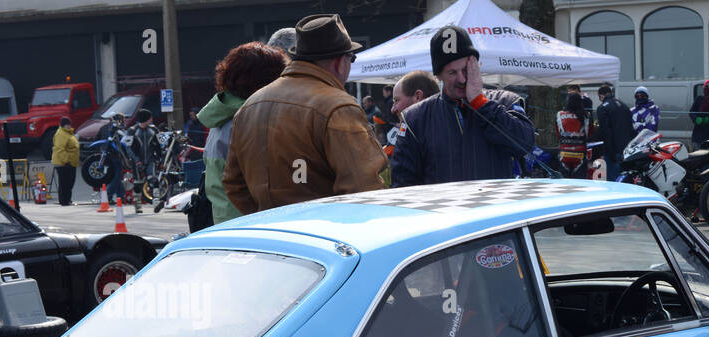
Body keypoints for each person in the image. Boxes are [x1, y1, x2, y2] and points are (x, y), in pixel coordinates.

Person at [226, 14, 385, 213]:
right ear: (339, 62)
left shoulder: (250, 106)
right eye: (351, 58)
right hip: (322, 236)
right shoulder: (338, 106)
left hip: (268, 236)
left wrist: (265, 217)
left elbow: (234, 184)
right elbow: (363, 188)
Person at [390, 24, 534, 187]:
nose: (462, 79)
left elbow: (525, 144)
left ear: (477, 66)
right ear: (438, 76)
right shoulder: (414, 118)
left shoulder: (506, 101)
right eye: (452, 72)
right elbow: (402, 183)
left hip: (495, 210)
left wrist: (480, 102)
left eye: (466, 69)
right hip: (443, 211)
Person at [199, 40, 289, 223]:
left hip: (226, 222)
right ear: (265, 81)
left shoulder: (221, 116)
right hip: (252, 226)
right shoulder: (251, 119)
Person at [596, 82, 633, 181]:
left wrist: (609, 151)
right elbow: (631, 128)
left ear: (601, 95)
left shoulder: (602, 108)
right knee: (625, 179)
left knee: (613, 180)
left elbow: (605, 131)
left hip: (612, 150)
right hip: (626, 149)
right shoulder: (624, 106)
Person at [556, 92, 591, 176]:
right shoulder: (586, 115)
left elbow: (558, 134)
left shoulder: (560, 114)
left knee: (563, 182)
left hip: (564, 153)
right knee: (579, 183)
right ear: (580, 102)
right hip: (580, 153)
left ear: (568, 101)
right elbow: (589, 133)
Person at [51, 116, 79, 205]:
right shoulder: (61, 134)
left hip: (70, 163)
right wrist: (66, 161)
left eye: (69, 124)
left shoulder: (68, 133)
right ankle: (64, 201)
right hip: (64, 163)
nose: (69, 126)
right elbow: (59, 149)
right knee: (65, 183)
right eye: (67, 125)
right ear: (63, 125)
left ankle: (67, 199)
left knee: (70, 182)